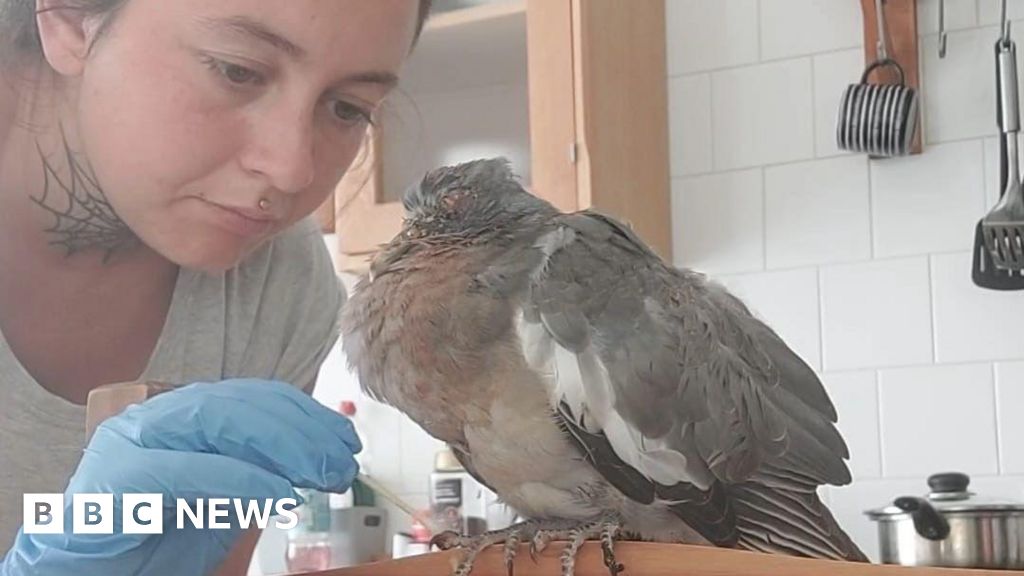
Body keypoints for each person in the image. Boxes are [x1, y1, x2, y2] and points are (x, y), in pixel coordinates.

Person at [0, 0, 432, 573]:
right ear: (66, 17)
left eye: (347, 108)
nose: (290, 170)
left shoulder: (281, 284)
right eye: (238, 71)